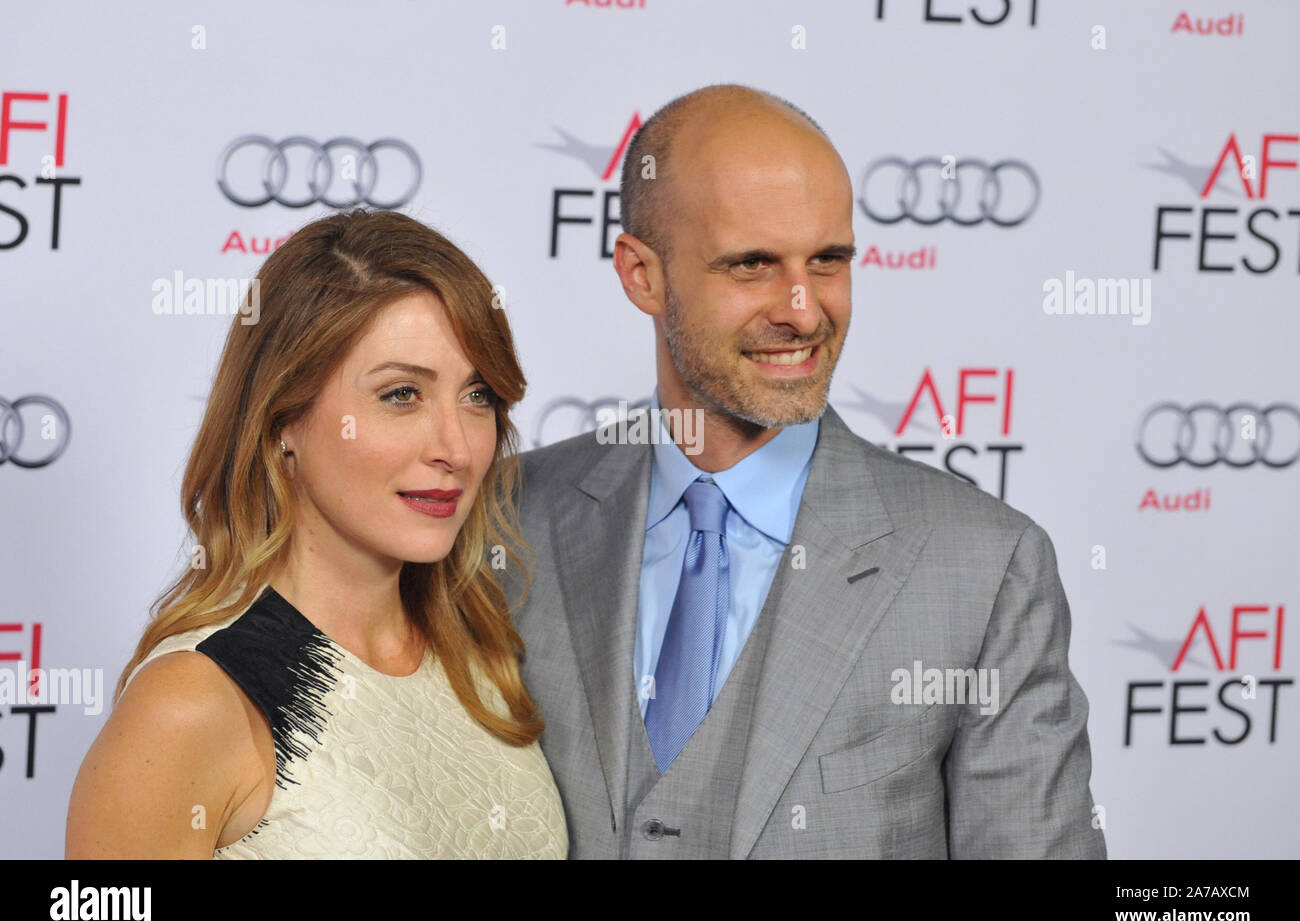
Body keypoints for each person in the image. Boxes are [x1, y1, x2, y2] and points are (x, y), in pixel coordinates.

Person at [503, 84, 1107, 859]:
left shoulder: (984, 568)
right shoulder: (508, 516)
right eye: (751, 264)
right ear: (641, 274)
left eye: (828, 261)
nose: (803, 310)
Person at [66, 210, 566, 859]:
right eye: (401, 394)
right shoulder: (194, 703)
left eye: (478, 397)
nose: (457, 448)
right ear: (284, 419)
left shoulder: (480, 660)